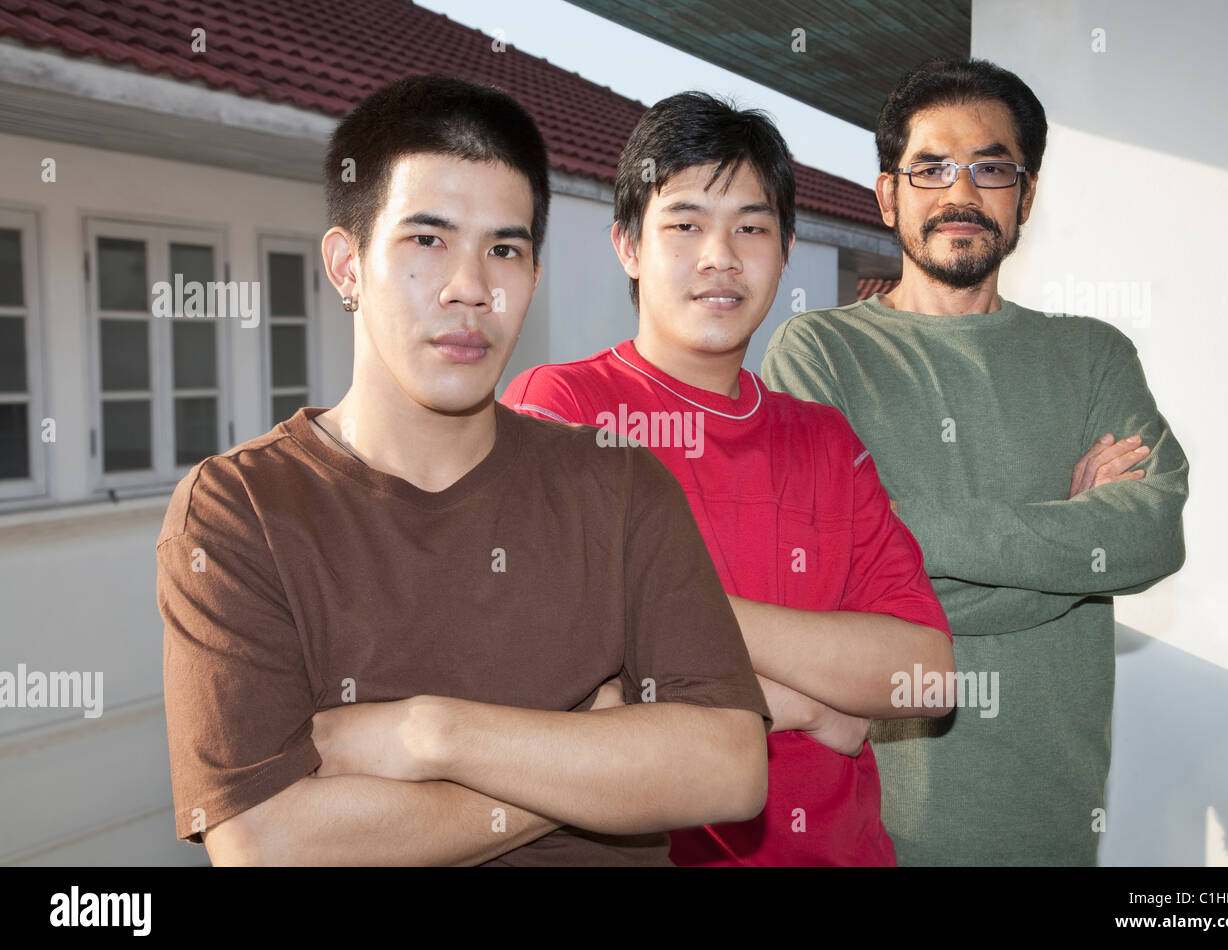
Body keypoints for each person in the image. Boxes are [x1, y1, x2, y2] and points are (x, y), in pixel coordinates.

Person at [156, 75, 771, 867]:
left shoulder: (619, 484)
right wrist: (595, 751)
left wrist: (432, 734)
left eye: (504, 249)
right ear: (347, 266)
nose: (470, 289)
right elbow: (265, 843)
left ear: (534, 277)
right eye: (426, 240)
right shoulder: (239, 510)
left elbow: (727, 767)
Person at [502, 91, 954, 866]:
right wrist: (807, 703)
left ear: (783, 252)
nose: (721, 256)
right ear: (629, 246)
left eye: (751, 227)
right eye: (684, 225)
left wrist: (676, 611)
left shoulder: (826, 442)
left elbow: (925, 677)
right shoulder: (563, 408)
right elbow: (549, 677)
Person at [762, 58, 1189, 865]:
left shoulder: (1093, 354)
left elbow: (1151, 536)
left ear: (1025, 196)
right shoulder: (820, 350)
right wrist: (1069, 562)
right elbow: (837, 571)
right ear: (888, 195)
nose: (960, 193)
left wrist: (906, 562)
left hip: (1048, 824)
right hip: (864, 827)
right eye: (930, 168)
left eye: (992, 168)